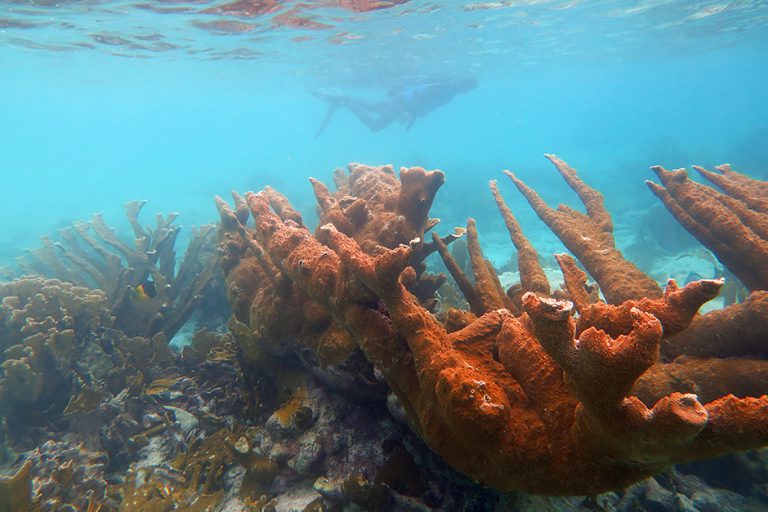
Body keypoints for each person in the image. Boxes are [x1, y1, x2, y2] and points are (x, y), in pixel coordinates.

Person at [311, 76, 477, 137]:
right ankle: (345, 102)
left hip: (403, 99)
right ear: (465, 88)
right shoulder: (448, 89)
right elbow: (425, 96)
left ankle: (345, 98)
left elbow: (425, 94)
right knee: (376, 126)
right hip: (404, 103)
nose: (466, 91)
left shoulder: (448, 86)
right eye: (468, 88)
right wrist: (410, 111)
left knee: (373, 107)